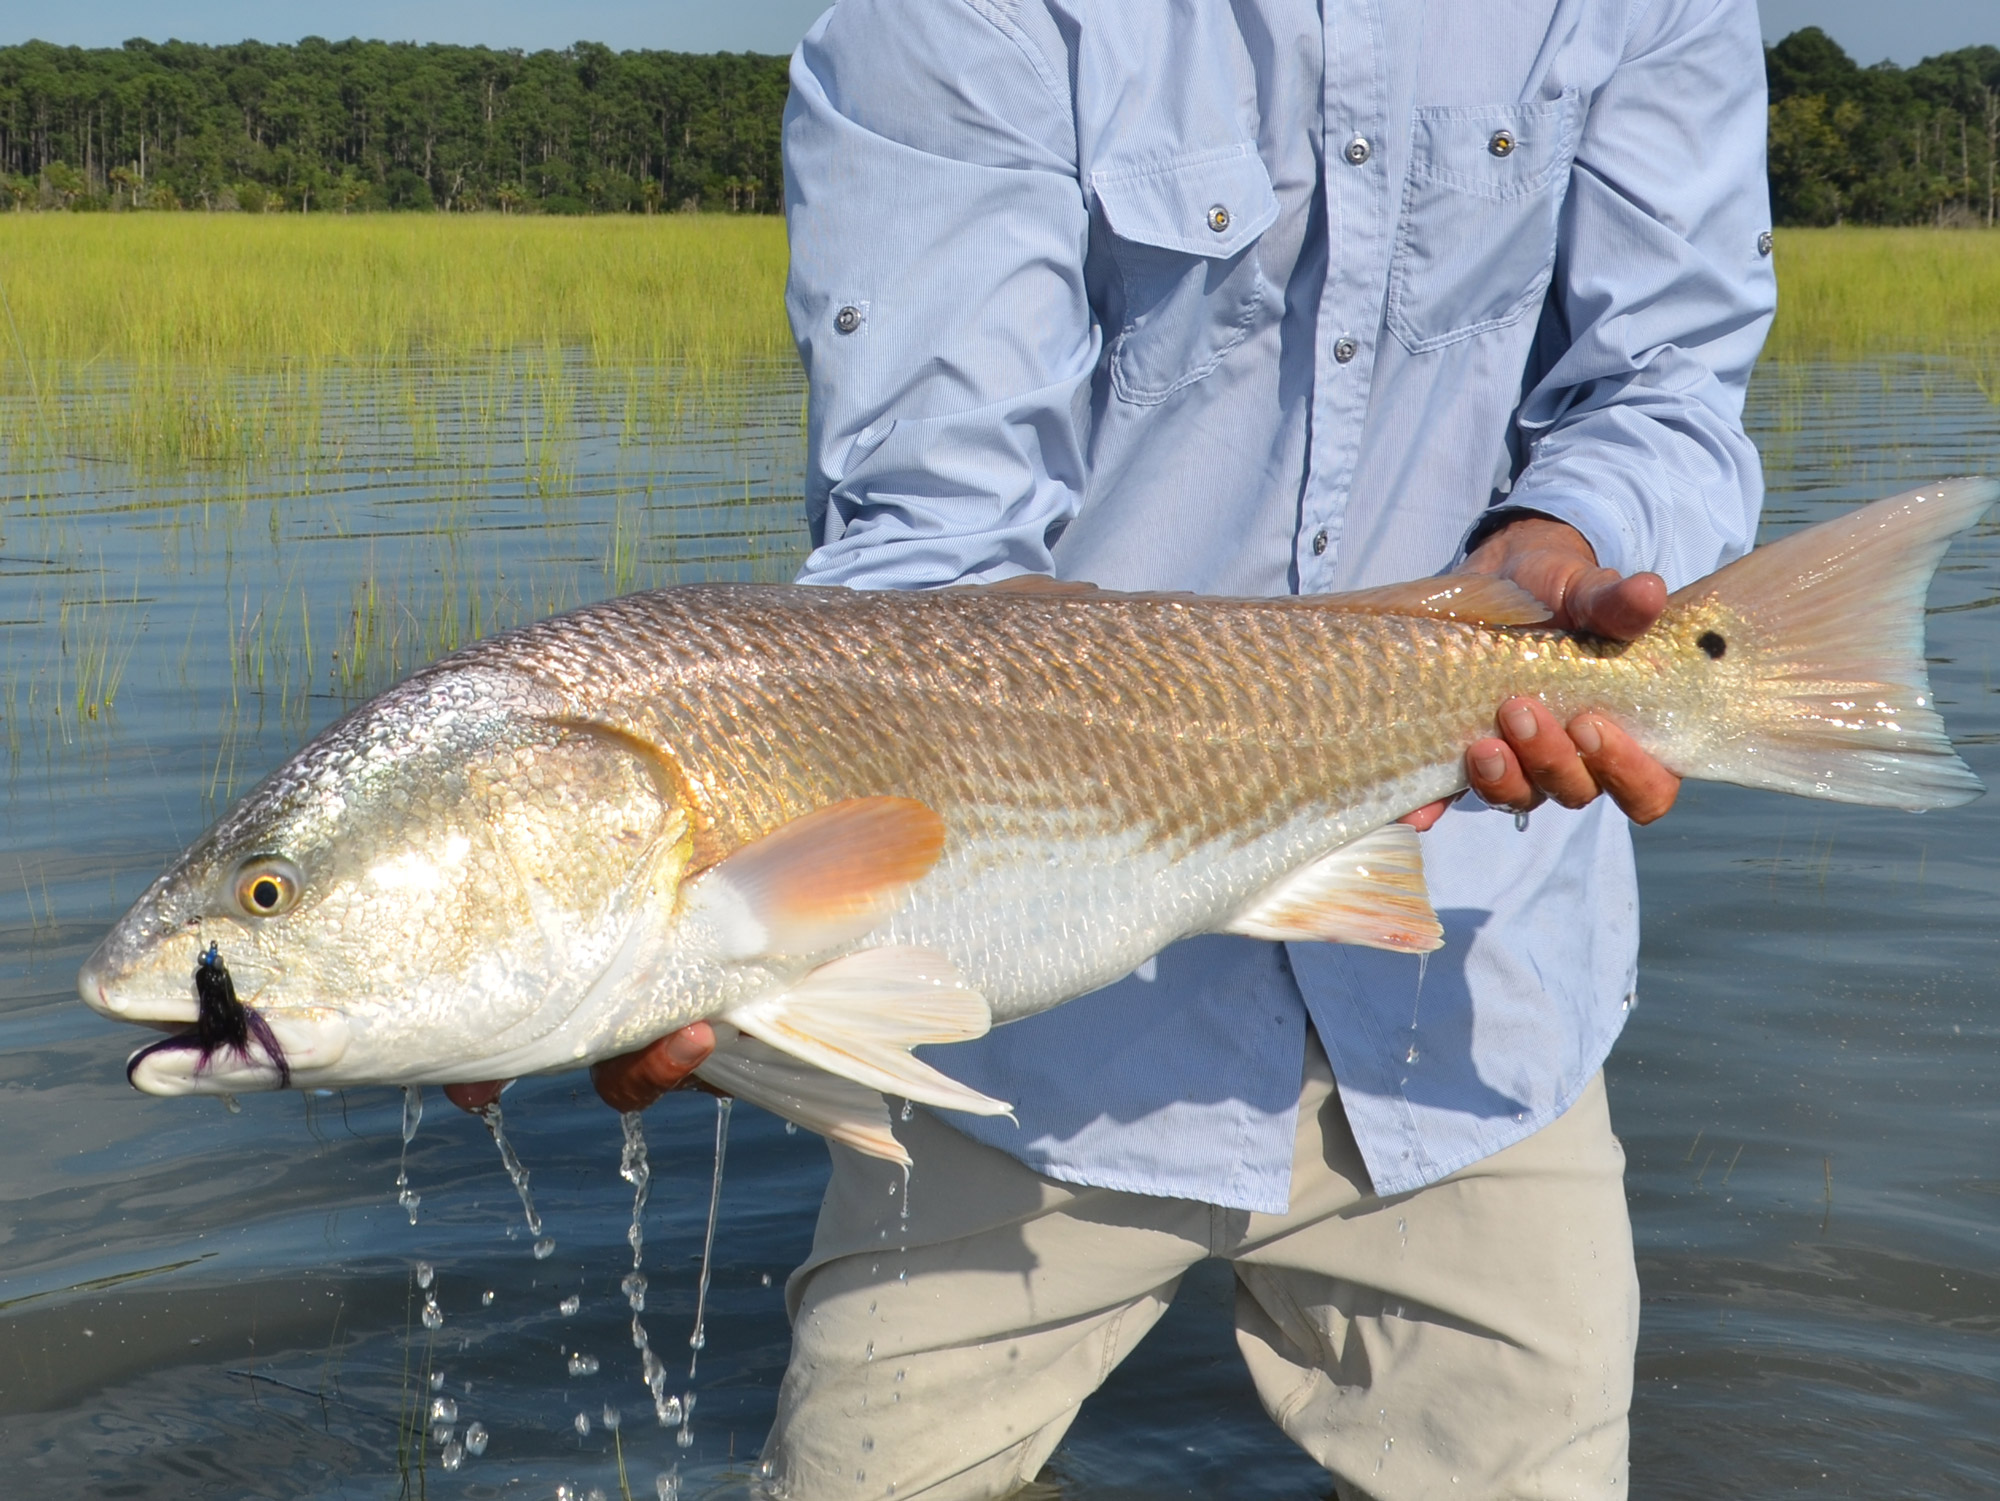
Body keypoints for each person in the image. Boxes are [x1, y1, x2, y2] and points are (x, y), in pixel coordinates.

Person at [470, 2, 1776, 1494]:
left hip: (1472, 998)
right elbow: (932, 553)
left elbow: (1665, 377)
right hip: (1014, 1033)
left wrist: (1574, 544)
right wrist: (702, 915)